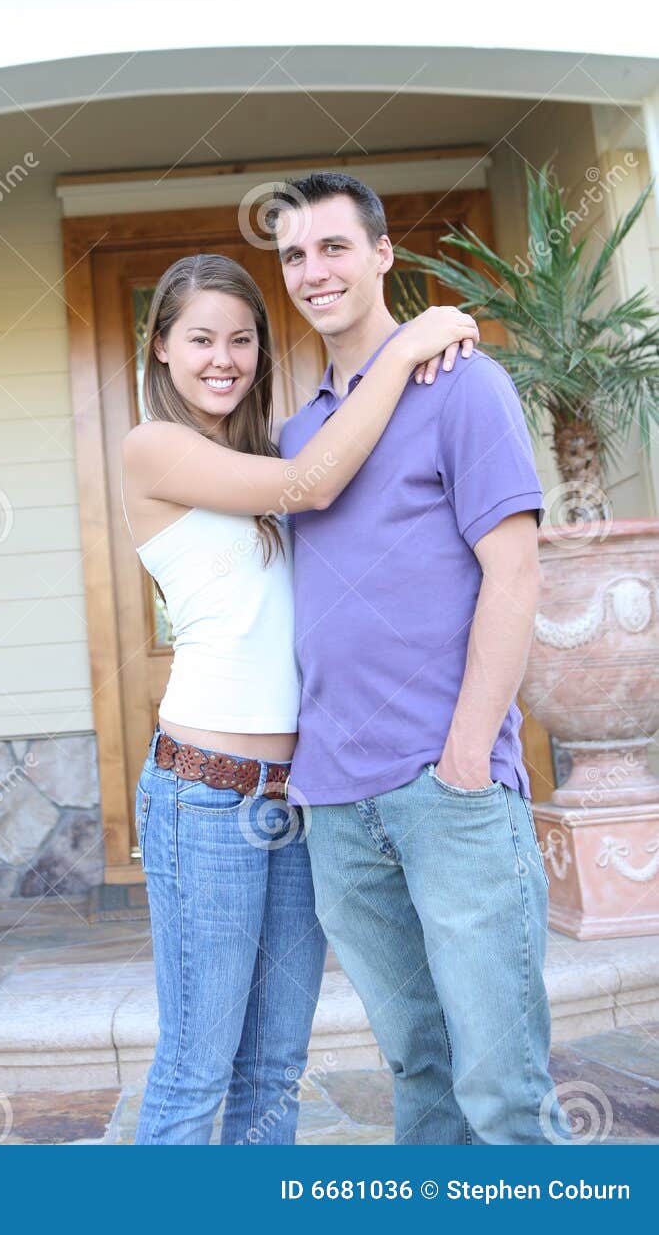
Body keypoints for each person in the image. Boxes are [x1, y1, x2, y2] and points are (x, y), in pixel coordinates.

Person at [121, 252, 478, 1145]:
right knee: (196, 1067)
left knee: (275, 1068)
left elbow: (337, 485)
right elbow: (312, 484)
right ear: (160, 346)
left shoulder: (272, 447)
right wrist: (405, 348)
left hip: (295, 796)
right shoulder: (152, 448)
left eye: (242, 340)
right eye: (200, 339)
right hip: (203, 792)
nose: (223, 358)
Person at [271, 170, 568, 1146]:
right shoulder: (302, 436)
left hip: (447, 788)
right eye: (293, 255)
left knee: (502, 1089)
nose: (312, 271)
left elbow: (513, 572)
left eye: (333, 247)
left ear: (381, 255)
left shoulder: (464, 385)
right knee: (420, 1077)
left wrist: (467, 754)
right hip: (335, 803)